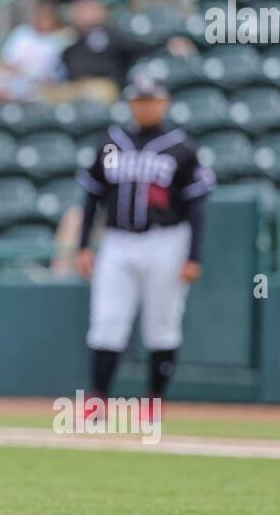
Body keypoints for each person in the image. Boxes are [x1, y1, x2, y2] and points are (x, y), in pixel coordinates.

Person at [74, 74, 214, 420]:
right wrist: (83, 246)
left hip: (166, 239)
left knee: (162, 322)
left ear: (164, 102)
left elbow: (196, 206)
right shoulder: (111, 141)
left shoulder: (182, 146)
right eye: (139, 99)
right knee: (107, 319)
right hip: (117, 240)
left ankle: (153, 402)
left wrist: (193, 255)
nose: (145, 105)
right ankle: (98, 400)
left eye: (151, 99)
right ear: (130, 102)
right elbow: (91, 195)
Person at [0, 0, 69, 103]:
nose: (43, 21)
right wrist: (23, 71)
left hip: (41, 86)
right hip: (17, 79)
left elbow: (54, 74)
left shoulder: (58, 41)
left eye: (47, 17)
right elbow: (6, 63)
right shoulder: (22, 34)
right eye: (40, 16)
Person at [60, 0, 143, 95]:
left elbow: (134, 50)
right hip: (79, 87)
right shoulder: (73, 41)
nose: (79, 15)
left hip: (109, 87)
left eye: (84, 10)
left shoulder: (113, 33)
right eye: (78, 12)